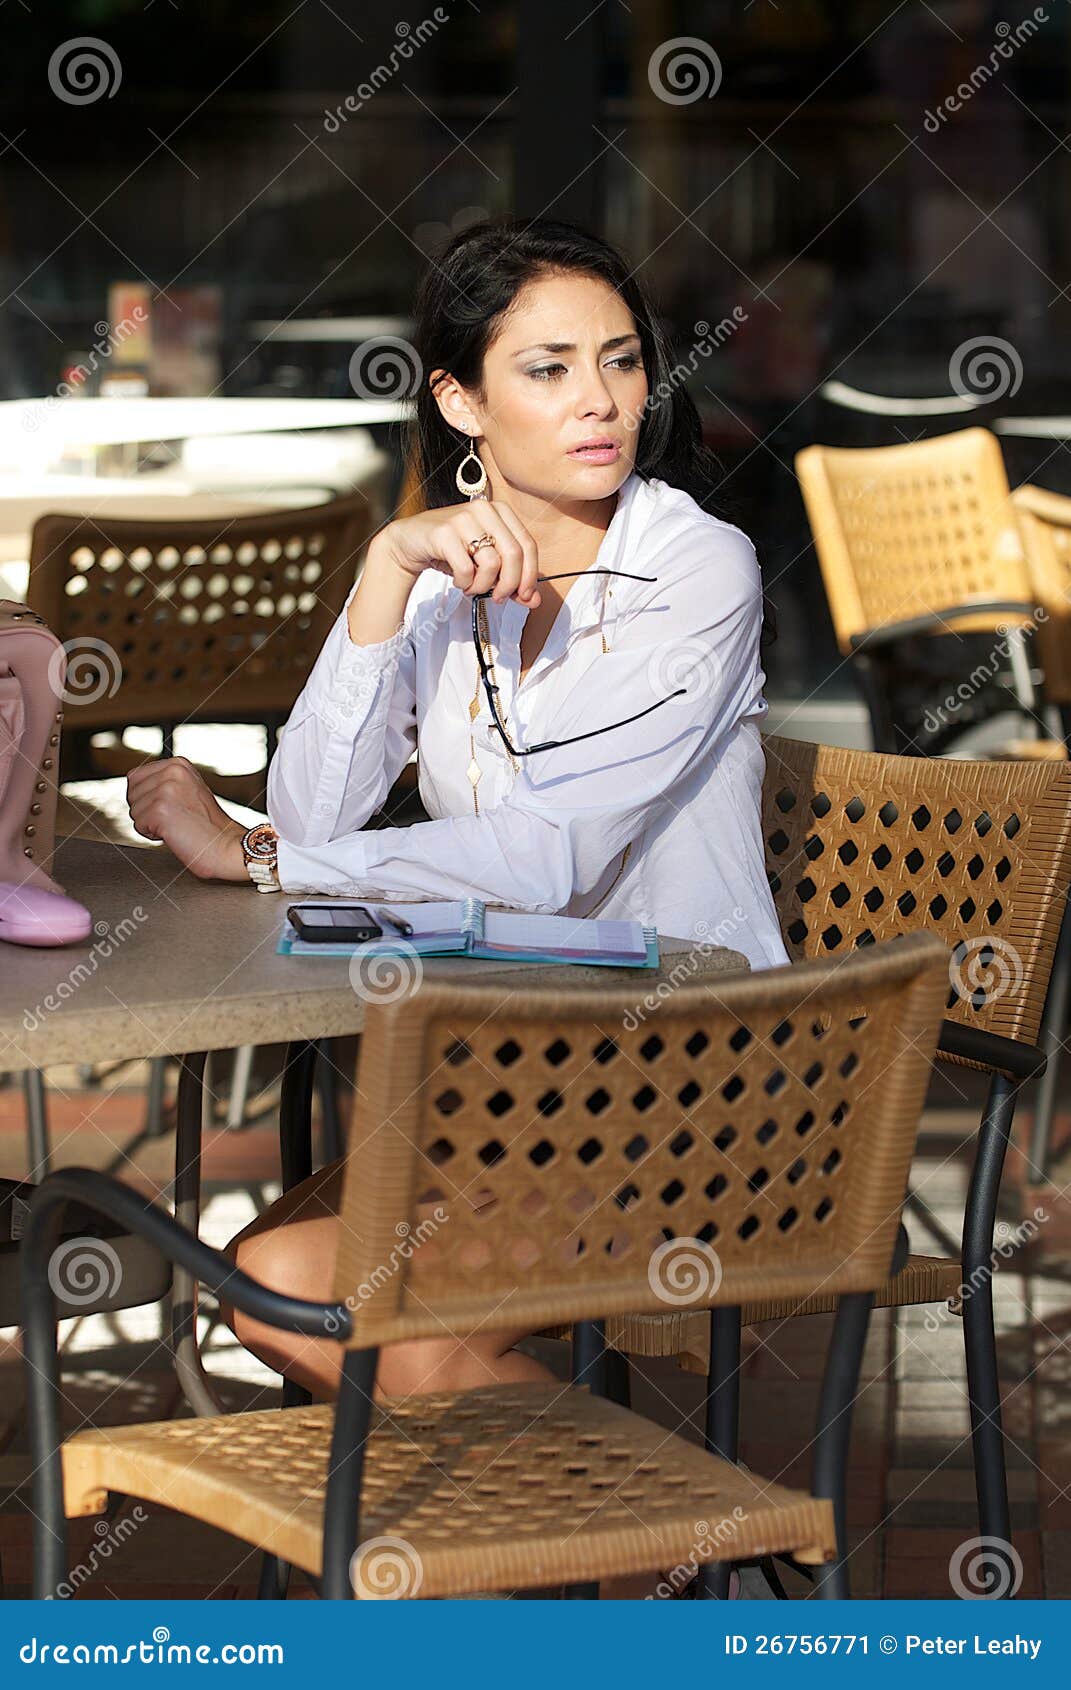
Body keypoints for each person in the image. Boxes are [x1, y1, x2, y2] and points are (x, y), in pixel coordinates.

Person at [126, 214, 788, 1403]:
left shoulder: (697, 571)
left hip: (691, 1087)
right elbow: (314, 806)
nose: (603, 400)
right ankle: (657, 1549)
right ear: (462, 401)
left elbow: (543, 856)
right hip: (510, 1080)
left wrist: (270, 859)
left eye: (622, 359)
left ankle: (643, 1549)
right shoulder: (444, 575)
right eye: (550, 368)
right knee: (279, 1289)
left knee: (301, 1289)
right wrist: (389, 566)